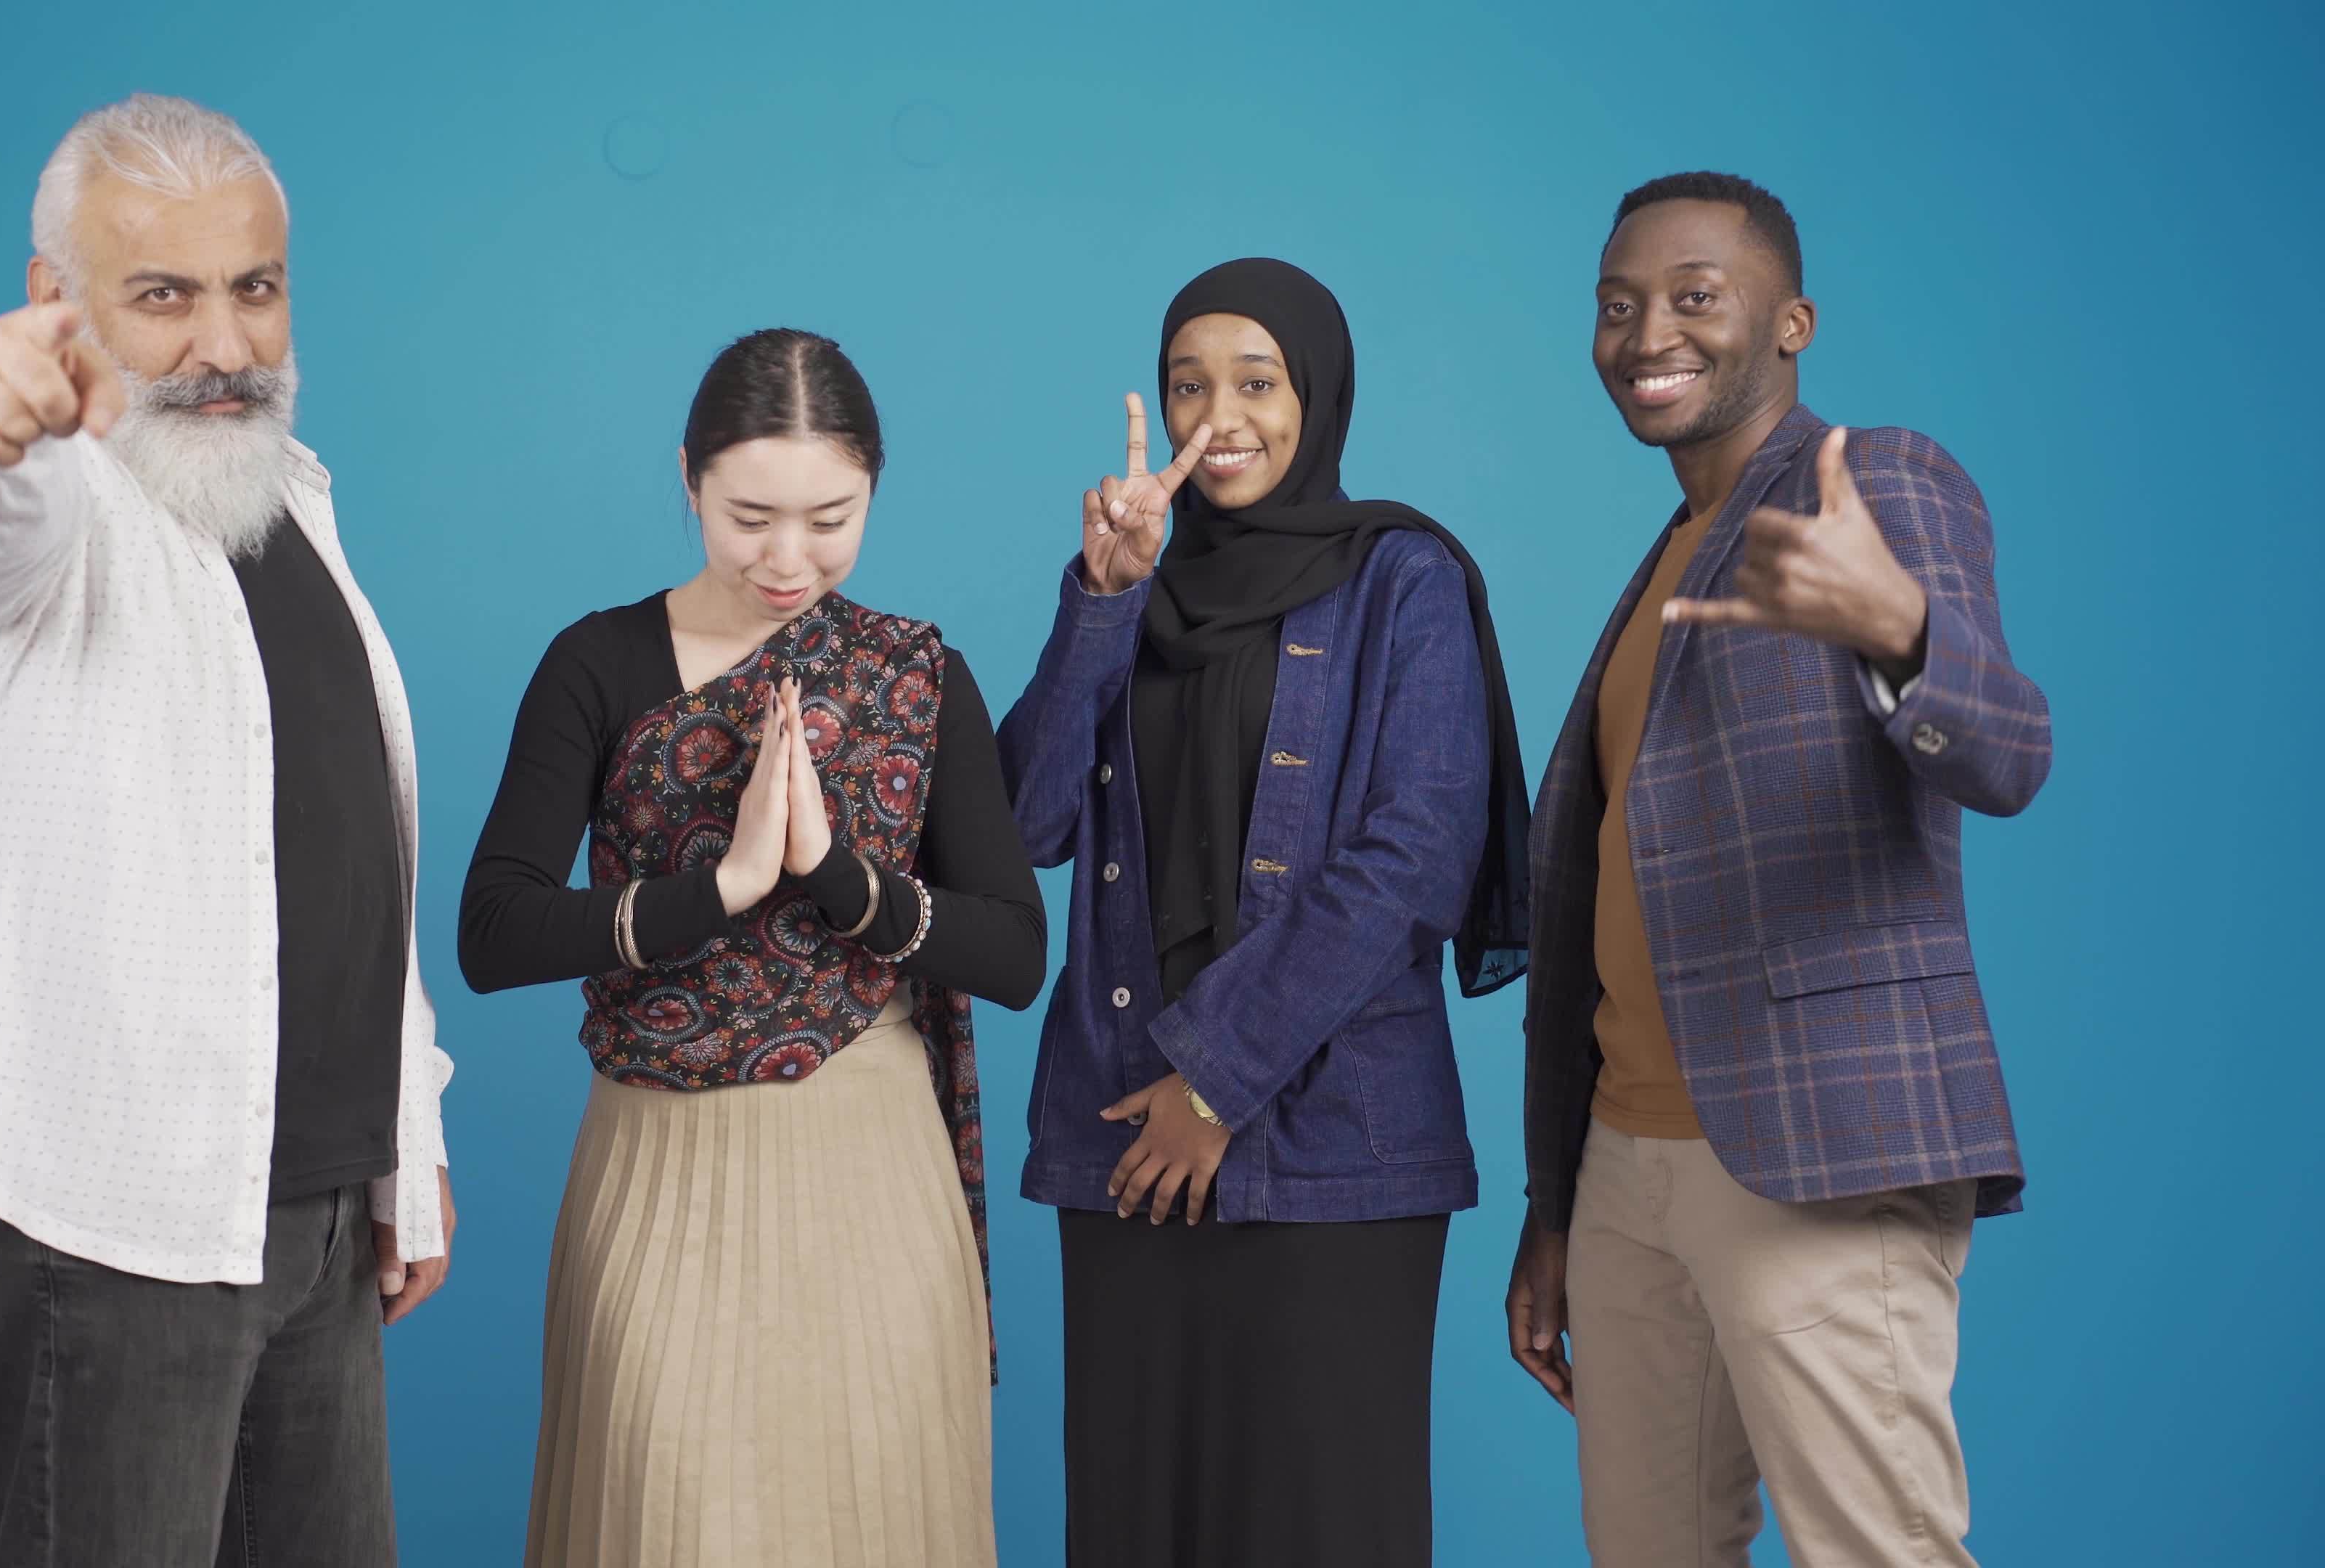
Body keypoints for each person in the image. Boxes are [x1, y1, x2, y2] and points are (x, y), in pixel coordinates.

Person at [0, 94, 454, 1566]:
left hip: (316, 1210)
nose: (226, 346)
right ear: (56, 305)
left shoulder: (293, 509)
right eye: (163, 296)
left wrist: (409, 1125)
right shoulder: (48, 532)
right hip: (105, 1216)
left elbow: (342, 850)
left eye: (254, 288)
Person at [1505, 171, 2054, 1567]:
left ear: (1792, 319)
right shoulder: (1671, 552)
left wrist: (1902, 631)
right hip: (1627, 1164)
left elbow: (2007, 753)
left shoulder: (1874, 482)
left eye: (1696, 298)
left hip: (1820, 1150)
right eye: (1618, 305)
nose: (1647, 335)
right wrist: (1554, 1212)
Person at [458, 327, 1046, 1568]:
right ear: (689, 481)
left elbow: (1012, 955)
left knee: (876, 1515)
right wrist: (720, 886)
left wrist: (836, 878)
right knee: (665, 1518)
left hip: (872, 1167)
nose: (790, 561)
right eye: (749, 518)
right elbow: (493, 932)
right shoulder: (596, 663)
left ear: (876, 485)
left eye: (830, 519)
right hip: (657, 1160)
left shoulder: (917, 675)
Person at [996, 258, 1530, 1567]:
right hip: (1124, 1140)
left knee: (1314, 1528)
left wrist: (1216, 1083)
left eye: (1257, 381)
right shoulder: (1136, 586)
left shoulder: (1404, 578)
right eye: (1190, 384)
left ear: (1321, 395)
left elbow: (1418, 853)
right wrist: (1105, 600)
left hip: (1335, 1149)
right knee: (1137, 1529)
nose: (1218, 416)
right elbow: (1019, 831)